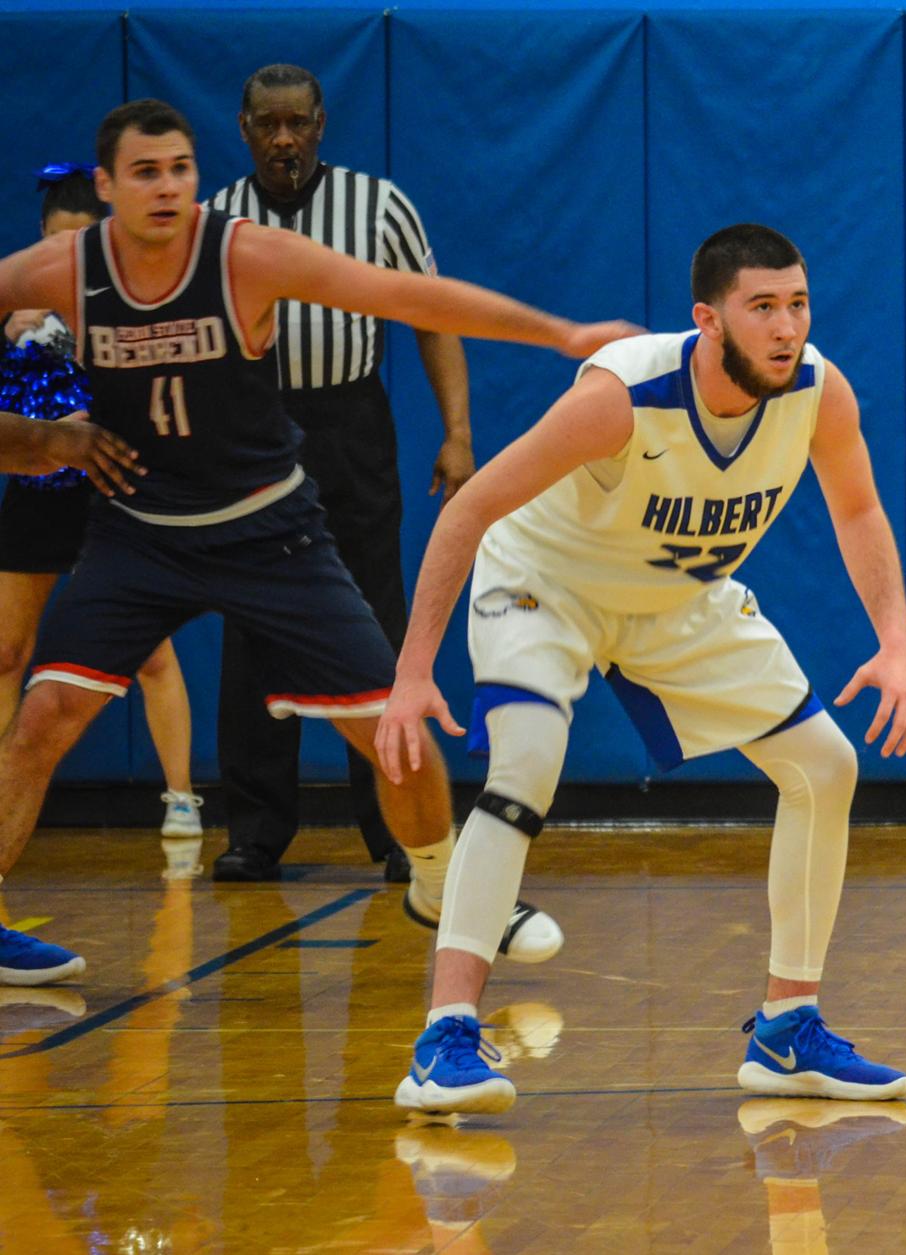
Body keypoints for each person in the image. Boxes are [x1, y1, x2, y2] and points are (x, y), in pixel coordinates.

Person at [0, 98, 639, 987]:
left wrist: (565, 334)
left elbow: (406, 294)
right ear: (105, 187)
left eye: (181, 168)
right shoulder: (64, 270)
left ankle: (438, 883)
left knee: (396, 732)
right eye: (146, 172)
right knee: (39, 720)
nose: (169, 187)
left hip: (269, 528)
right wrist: (37, 439)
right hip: (138, 533)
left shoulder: (242, 254)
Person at [375, 224, 906, 1115]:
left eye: (798, 304)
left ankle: (789, 1031)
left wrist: (896, 640)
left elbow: (859, 509)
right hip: (545, 582)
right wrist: (412, 671)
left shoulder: (820, 393)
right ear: (709, 321)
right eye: (763, 308)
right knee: (524, 768)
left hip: (678, 595)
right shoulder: (623, 395)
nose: (787, 328)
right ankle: (446, 1040)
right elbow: (472, 507)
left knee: (827, 764)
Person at [207, 65, 477, 885]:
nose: (283, 139)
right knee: (253, 627)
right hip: (252, 429)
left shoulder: (380, 206)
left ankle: (395, 827)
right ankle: (256, 831)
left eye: (297, 123)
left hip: (352, 424)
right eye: (267, 124)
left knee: (376, 625)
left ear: (321, 123)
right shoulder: (215, 220)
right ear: (245, 128)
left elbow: (433, 317)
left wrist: (458, 432)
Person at [0, 165, 203, 872]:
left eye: (80, 245)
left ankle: (181, 795)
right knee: (7, 650)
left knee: (151, 654)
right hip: (34, 492)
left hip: (110, 487)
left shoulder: (135, 308)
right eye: (54, 245)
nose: (65, 261)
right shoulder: (16, 303)